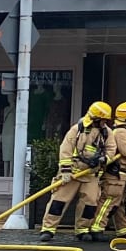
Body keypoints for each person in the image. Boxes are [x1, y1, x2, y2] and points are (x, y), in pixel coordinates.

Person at [38, 101, 112, 242]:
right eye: (104, 120)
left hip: (91, 174)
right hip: (72, 173)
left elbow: (111, 149)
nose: (105, 122)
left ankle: (82, 230)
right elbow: (65, 149)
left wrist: (103, 159)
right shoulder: (77, 130)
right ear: (97, 118)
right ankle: (48, 229)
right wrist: (66, 171)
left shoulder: (106, 133)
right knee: (59, 201)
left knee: (89, 203)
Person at [90, 101, 126, 241]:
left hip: (125, 175)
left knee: (122, 204)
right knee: (108, 202)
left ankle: (124, 230)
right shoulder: (120, 131)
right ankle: (96, 228)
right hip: (116, 176)